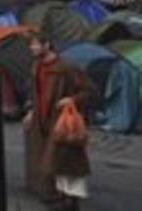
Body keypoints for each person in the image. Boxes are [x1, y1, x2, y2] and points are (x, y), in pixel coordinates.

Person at [25, 32, 96, 210]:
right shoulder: (37, 66)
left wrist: (71, 100)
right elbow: (36, 93)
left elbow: (89, 91)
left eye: (34, 44)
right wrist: (32, 111)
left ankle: (70, 202)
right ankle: (56, 197)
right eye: (31, 45)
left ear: (46, 44)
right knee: (50, 163)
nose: (31, 48)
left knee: (67, 164)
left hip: (62, 124)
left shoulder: (67, 68)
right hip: (42, 123)